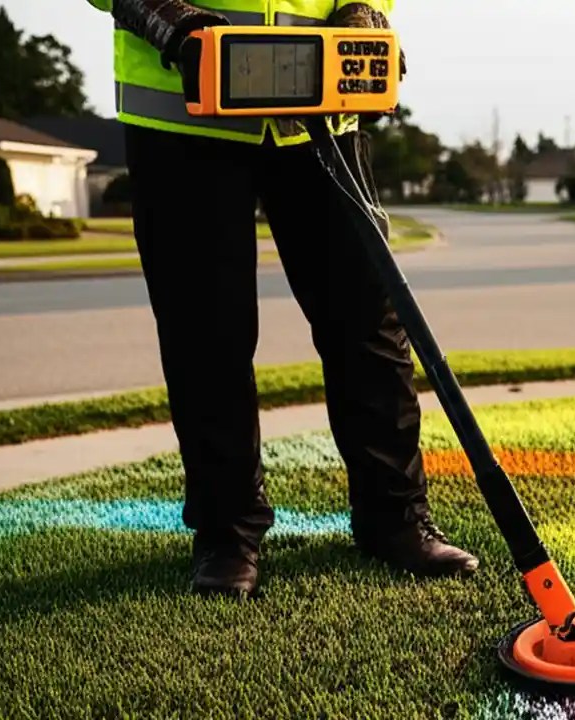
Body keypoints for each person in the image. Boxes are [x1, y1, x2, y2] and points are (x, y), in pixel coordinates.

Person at [89, 0, 479, 598]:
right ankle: (227, 536)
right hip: (186, 110)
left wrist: (366, 10)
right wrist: (166, 17)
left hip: (322, 105)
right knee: (206, 333)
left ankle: (394, 518)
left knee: (367, 324)